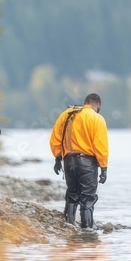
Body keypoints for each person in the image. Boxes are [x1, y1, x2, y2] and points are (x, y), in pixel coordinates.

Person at [49, 93, 109, 228]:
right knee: (87, 199)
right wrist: (104, 168)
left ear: (86, 102)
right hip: (87, 163)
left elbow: (55, 137)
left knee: (72, 194)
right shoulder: (97, 118)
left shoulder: (67, 114)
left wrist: (58, 158)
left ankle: (69, 226)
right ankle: (87, 232)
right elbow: (101, 145)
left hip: (69, 161)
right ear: (97, 105)